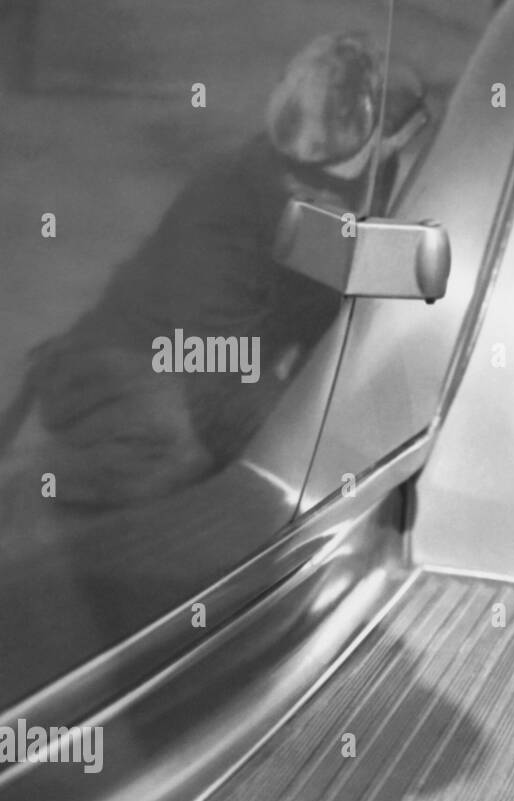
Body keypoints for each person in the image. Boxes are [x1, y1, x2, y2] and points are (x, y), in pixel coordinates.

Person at [3, 32, 431, 505]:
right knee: (185, 442)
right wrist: (337, 459)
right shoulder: (229, 212)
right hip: (135, 362)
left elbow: (373, 297)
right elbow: (222, 396)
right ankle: (32, 505)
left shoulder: (341, 203)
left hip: (225, 362)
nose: (308, 195)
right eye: (304, 181)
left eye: (325, 185)